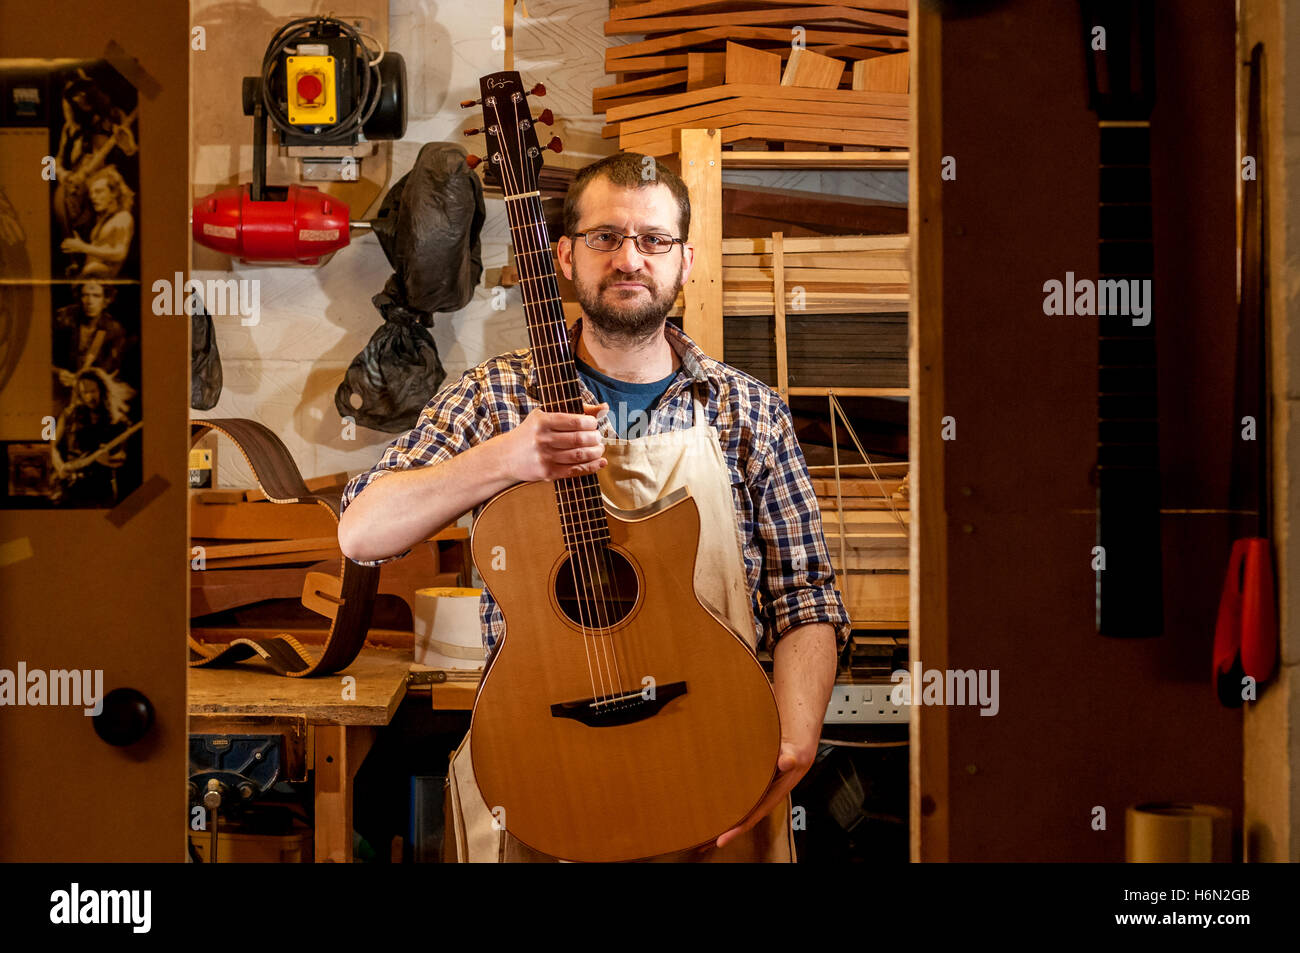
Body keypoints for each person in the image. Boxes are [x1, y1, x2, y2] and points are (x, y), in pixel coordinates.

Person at [338, 152, 850, 862]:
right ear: (566, 255)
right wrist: (506, 458)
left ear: (685, 259)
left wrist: (795, 734)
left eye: (653, 239)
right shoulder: (497, 397)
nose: (629, 257)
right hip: (546, 766)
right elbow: (362, 529)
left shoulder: (749, 413)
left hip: (715, 765)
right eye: (606, 237)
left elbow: (806, 598)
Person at [60, 166, 134, 279]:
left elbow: (120, 253)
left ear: (114, 193)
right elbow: (99, 251)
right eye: (91, 193)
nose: (93, 197)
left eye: (99, 192)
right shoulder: (104, 219)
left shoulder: (123, 217)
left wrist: (83, 247)